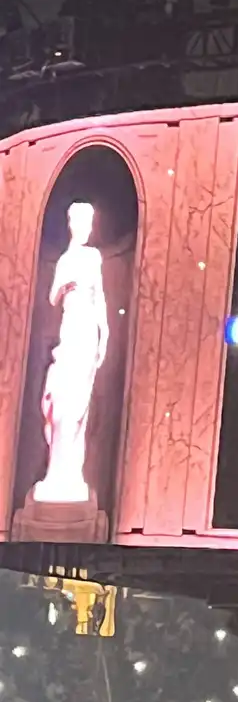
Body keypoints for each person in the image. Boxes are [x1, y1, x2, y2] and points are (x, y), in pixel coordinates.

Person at [33, 201, 109, 505]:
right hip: (70, 329)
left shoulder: (94, 256)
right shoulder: (65, 259)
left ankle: (73, 474)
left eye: (89, 223)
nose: (85, 229)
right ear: (71, 224)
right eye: (81, 222)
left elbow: (100, 297)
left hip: (88, 328)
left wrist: (105, 335)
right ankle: (57, 473)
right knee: (61, 405)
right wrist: (66, 286)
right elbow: (52, 297)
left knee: (80, 406)